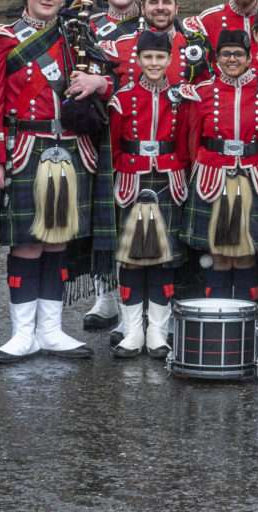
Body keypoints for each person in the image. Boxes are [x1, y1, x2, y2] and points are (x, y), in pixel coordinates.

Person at [0, 0, 100, 363]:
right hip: (24, 147)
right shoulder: (2, 40)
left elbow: (111, 73)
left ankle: (52, 329)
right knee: (27, 241)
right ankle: (21, 332)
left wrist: (98, 81)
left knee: (58, 241)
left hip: (69, 145)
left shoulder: (75, 34)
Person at [177, 29, 258, 302]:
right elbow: (192, 137)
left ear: (249, 57)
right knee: (218, 253)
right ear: (216, 57)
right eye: (226, 54)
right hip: (212, 175)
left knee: (247, 252)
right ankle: (216, 315)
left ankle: (247, 316)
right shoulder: (203, 91)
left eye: (238, 54)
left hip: (255, 174)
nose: (232, 59)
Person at [105, 29, 187, 359]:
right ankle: (132, 330)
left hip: (169, 180)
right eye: (148, 57)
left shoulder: (182, 98)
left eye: (160, 57)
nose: (154, 63)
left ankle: (157, 330)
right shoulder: (121, 99)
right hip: (131, 180)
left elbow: (186, 142)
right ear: (138, 60)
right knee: (132, 259)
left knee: (163, 259)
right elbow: (111, 145)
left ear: (169, 60)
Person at [80, 0, 144, 333]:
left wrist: (106, 83)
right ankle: (105, 294)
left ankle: (130, 302)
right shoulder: (88, 26)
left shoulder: (154, 24)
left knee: (132, 217)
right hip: (98, 131)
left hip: (137, 131)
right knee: (103, 217)